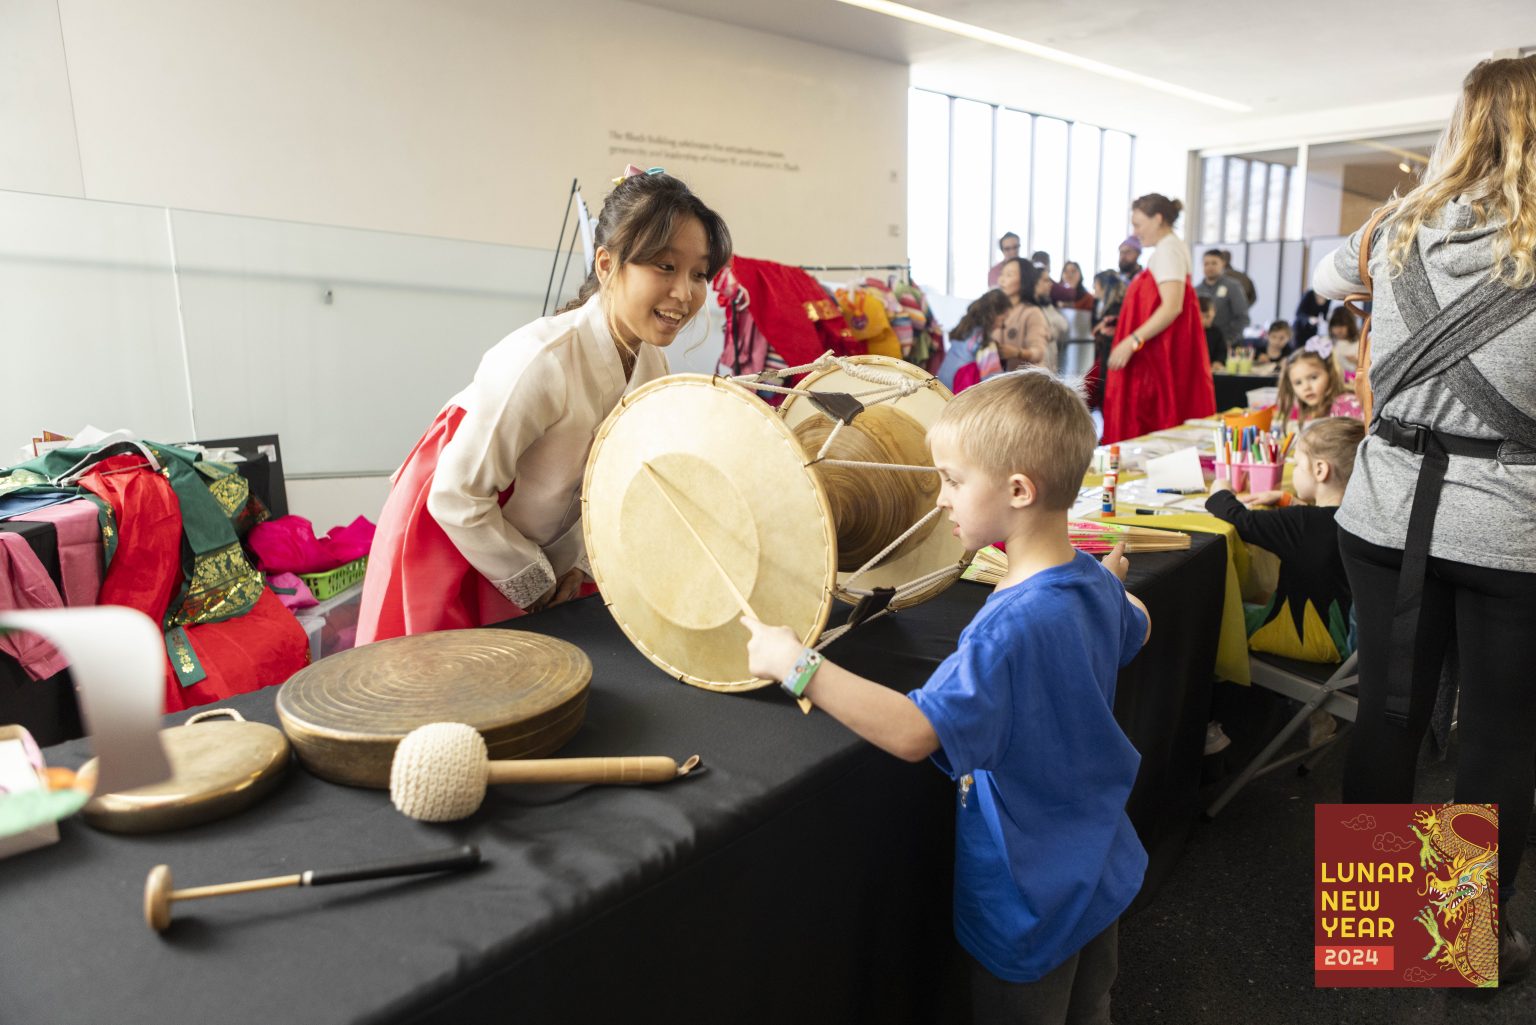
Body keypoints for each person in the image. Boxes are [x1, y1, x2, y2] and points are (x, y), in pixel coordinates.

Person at [740, 369, 1151, 1025]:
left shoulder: (1007, 628)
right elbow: (1140, 623)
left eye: (954, 480)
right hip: (1098, 865)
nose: (938, 499)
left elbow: (914, 730)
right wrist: (1115, 581)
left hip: (1030, 891)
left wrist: (797, 665)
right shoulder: (1090, 586)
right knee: (1092, 1005)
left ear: (1019, 489)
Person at [1310, 54, 1536, 983]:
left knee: (1389, 714)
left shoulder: (1391, 230)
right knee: (1497, 736)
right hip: (1510, 531)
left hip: (1384, 512)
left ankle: (1373, 941)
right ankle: (1461, 945)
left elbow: (1331, 278)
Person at [357, 168, 732, 644]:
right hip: (458, 538)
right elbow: (455, 496)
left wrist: (574, 565)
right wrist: (537, 581)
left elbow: (615, 483)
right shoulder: (539, 360)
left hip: (533, 542)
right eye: (664, 266)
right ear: (605, 264)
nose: (685, 293)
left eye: (699, 274)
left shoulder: (651, 363)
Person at [1207, 417, 1365, 663]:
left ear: (1320, 470)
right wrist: (1286, 500)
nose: (1296, 471)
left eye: (1298, 465)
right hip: (1356, 642)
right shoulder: (1361, 518)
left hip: (1312, 640)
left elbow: (1238, 518)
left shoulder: (1303, 522)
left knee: (1216, 615)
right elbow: (1322, 523)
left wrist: (1220, 490)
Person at [1101, 194, 1217, 443]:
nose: (1136, 232)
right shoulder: (1168, 249)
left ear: (1158, 219)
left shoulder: (1168, 250)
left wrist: (1131, 340)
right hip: (1156, 350)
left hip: (1156, 355)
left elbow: (1171, 307)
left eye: (1138, 224)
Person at [941, 290, 1012, 391]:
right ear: (993, 315)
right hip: (958, 394)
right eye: (1002, 319)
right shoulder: (984, 342)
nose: (1002, 325)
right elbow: (994, 380)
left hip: (942, 387)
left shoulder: (965, 330)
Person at [1275, 347, 1361, 429]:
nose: (1306, 387)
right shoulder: (1308, 409)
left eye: (1313, 377)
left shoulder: (1347, 404)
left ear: (1330, 373)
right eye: (1298, 383)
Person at [990, 257, 1051, 373]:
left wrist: (1017, 352)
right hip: (999, 380)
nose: (1001, 280)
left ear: (1024, 281)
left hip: (1025, 384)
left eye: (1009, 275)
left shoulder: (1033, 312)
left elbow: (1039, 352)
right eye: (1001, 275)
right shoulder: (995, 310)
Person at [1087, 270, 1127, 410]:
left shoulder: (1115, 308)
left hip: (1109, 357)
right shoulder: (1100, 305)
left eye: (1096, 284)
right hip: (1103, 356)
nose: (1093, 287)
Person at [1195, 249, 1251, 347]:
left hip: (1229, 344)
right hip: (1203, 345)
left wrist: (1228, 341)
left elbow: (1243, 318)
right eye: (1206, 264)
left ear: (1223, 264)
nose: (1210, 267)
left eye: (1214, 263)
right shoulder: (1196, 290)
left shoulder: (1233, 286)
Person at [1326, 306, 1362, 377]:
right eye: (1335, 326)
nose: (1338, 330)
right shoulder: (1329, 344)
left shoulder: (1359, 343)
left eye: (1342, 325)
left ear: (1350, 325)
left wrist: (1358, 361)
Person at [1199, 297, 1226, 371]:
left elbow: (1221, 352)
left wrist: (1218, 362)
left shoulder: (1216, 332)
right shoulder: (1189, 332)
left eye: (1210, 317)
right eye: (1204, 317)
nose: (1207, 320)